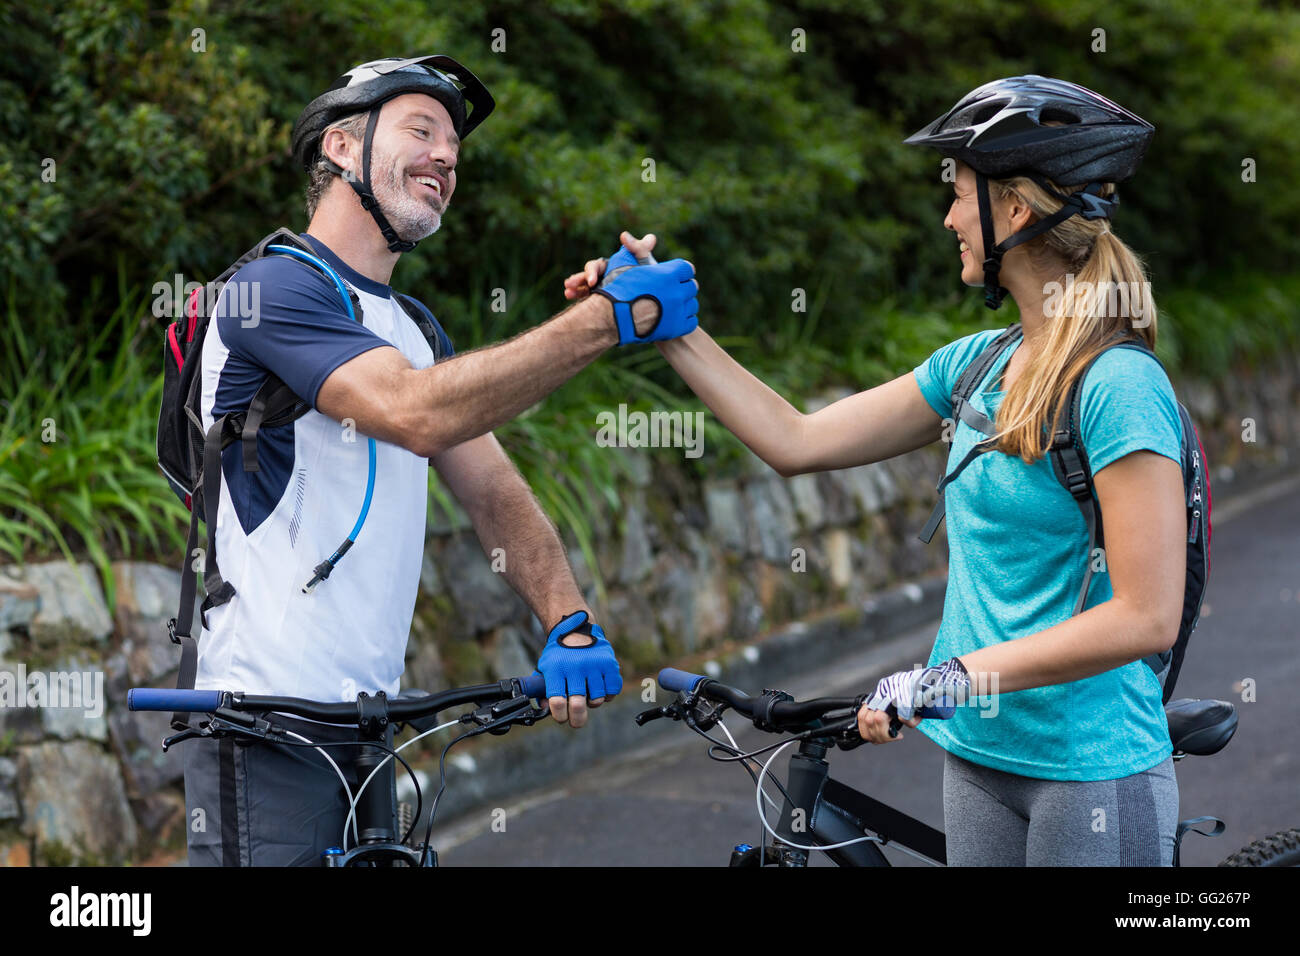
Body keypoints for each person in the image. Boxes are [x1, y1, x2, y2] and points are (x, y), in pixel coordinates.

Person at [564, 76, 1183, 866]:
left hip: (1091, 772)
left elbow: (1145, 616)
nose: (949, 216)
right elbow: (795, 439)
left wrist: (949, 677)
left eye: (961, 195)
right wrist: (668, 324)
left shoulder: (1118, 386)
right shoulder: (976, 368)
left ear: (1016, 211)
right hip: (981, 762)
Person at [183, 55, 699, 866]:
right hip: (265, 724)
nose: (447, 155)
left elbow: (491, 485)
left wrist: (565, 618)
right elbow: (414, 414)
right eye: (420, 130)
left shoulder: (413, 327)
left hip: (371, 727)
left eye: (454, 143)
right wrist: (606, 321)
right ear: (344, 150)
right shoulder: (269, 290)